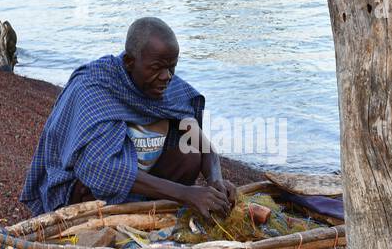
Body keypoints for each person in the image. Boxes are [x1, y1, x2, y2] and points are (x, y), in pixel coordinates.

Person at [20, 16, 238, 218]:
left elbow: (199, 141)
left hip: (138, 178)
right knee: (95, 180)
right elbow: (102, 169)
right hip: (84, 186)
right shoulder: (93, 87)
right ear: (129, 62)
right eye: (157, 68)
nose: (166, 77)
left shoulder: (164, 84)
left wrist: (215, 180)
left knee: (189, 152)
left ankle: (150, 213)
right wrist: (186, 194)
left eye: (172, 68)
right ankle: (108, 220)